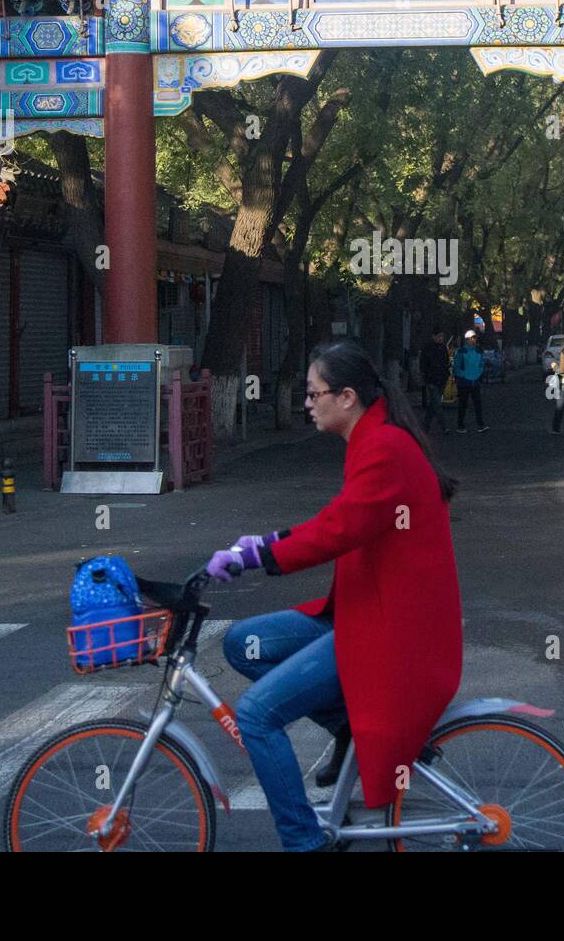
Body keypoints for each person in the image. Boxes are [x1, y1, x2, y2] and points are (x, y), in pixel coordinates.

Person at [209, 341, 462, 852]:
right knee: (241, 642)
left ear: (346, 397)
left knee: (257, 715)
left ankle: (306, 842)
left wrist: (258, 557)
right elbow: (338, 521)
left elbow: (336, 532)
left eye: (313, 393)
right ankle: (350, 726)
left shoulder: (385, 448)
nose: (307, 403)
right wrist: (265, 543)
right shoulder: (372, 440)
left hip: (392, 632)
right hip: (366, 614)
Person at [452, 330, 488, 434]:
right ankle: (460, 425)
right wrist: (463, 375)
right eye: (473, 338)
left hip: (474, 381)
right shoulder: (461, 352)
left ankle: (480, 424)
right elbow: (456, 366)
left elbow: (481, 364)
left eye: (475, 338)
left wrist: (478, 373)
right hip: (464, 382)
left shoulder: (478, 351)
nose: (474, 340)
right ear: (467, 339)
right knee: (463, 404)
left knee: (477, 404)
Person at [419, 327, 450, 435]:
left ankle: (426, 425)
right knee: (437, 404)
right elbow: (423, 364)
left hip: (441, 378)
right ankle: (444, 426)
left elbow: (446, 362)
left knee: (434, 404)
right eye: (439, 336)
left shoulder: (442, 348)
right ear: (434, 336)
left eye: (442, 336)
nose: (441, 338)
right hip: (432, 379)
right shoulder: (428, 348)